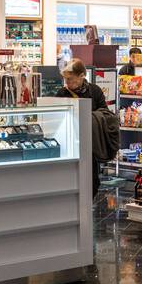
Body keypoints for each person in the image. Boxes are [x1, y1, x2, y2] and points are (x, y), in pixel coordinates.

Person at [58, 58, 109, 195]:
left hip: (90, 144)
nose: (67, 83)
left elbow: (105, 114)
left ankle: (87, 208)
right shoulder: (62, 93)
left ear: (82, 76)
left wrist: (90, 118)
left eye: (70, 79)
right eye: (65, 79)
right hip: (69, 143)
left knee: (92, 180)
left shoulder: (95, 91)